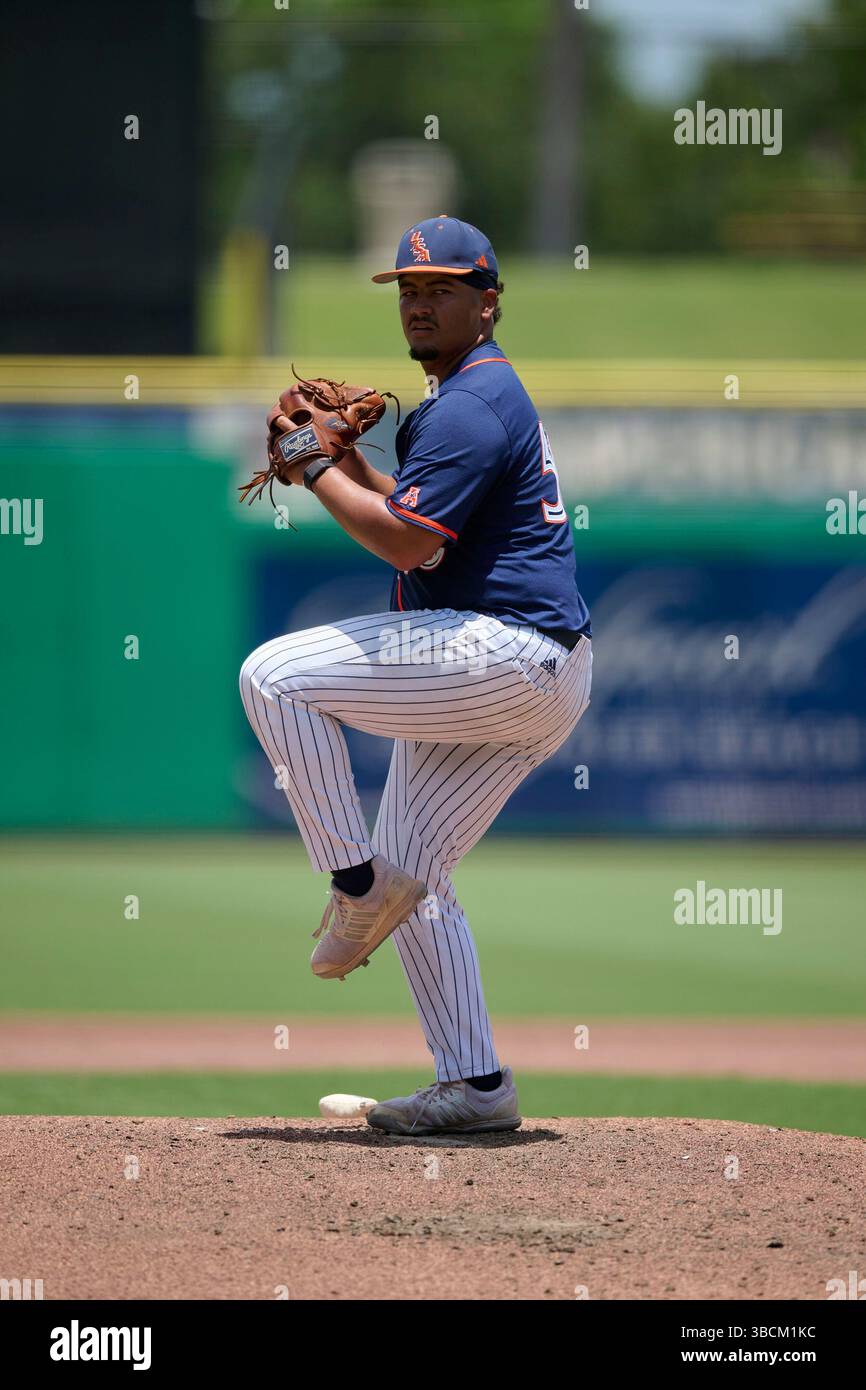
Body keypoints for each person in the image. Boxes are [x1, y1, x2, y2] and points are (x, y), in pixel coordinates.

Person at [239, 215, 592, 1135]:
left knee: (273, 675)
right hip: (540, 668)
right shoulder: (471, 397)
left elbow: (402, 540)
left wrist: (314, 465)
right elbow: (408, 516)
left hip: (503, 653)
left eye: (442, 288)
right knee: (420, 875)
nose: (421, 303)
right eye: (408, 288)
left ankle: (354, 891)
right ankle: (476, 1087)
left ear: (490, 301)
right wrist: (344, 458)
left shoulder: (472, 404)